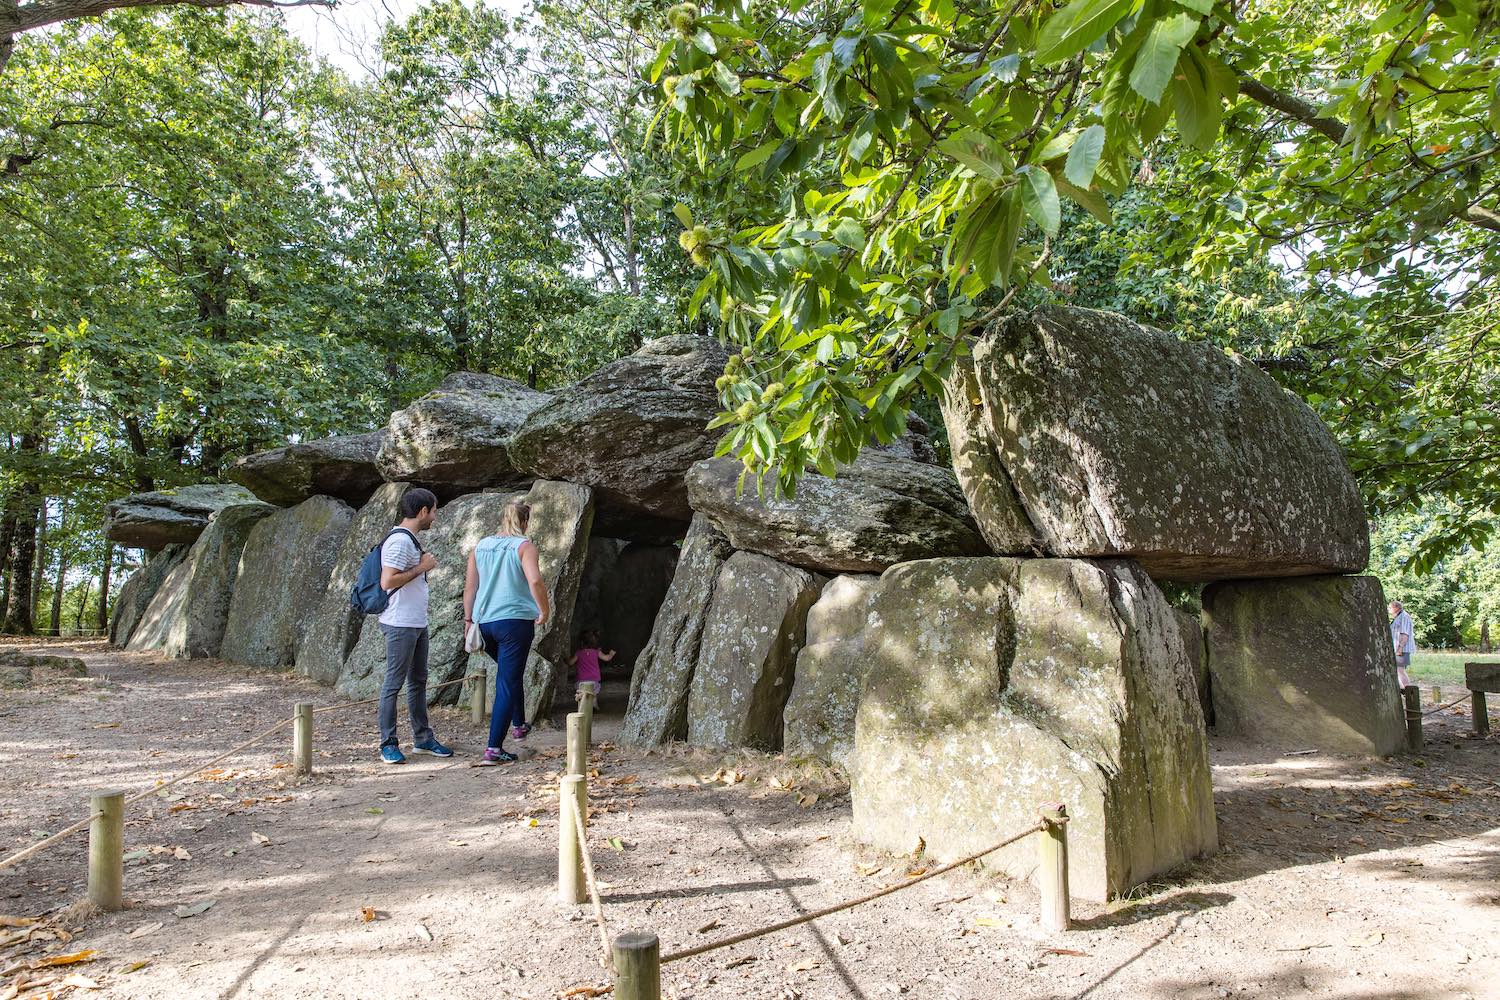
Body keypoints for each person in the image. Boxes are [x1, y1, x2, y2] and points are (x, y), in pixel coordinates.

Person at [464, 501, 550, 766]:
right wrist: (544, 609)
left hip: (484, 622)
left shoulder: (481, 546)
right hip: (514, 621)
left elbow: (470, 588)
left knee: (509, 674)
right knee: (506, 681)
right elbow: (534, 580)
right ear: (525, 522)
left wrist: (468, 620)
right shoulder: (524, 546)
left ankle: (519, 724)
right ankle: (493, 748)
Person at [377, 487, 452, 765]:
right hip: (400, 623)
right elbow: (387, 581)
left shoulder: (409, 540)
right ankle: (388, 743)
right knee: (393, 684)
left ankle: (423, 739)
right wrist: (422, 568)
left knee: (418, 682)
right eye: (434, 511)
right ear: (423, 512)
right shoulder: (399, 542)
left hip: (416, 622)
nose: (435, 517)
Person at [569, 629, 615, 701]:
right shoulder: (597, 652)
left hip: (581, 682)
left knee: (581, 692)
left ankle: (582, 699)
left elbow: (570, 663)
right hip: (594, 682)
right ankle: (594, 702)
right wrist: (611, 654)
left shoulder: (578, 653)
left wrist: (565, 659)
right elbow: (606, 658)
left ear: (581, 642)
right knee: (593, 694)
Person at [1389, 599, 1415, 688]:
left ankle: (1408, 691)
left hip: (1402, 649)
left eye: (1390, 607)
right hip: (1397, 648)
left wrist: (1400, 648)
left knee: (1400, 670)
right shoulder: (1398, 617)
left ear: (1396, 608)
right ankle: (1402, 689)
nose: (1389, 610)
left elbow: (1404, 634)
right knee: (1397, 670)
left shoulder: (1404, 617)